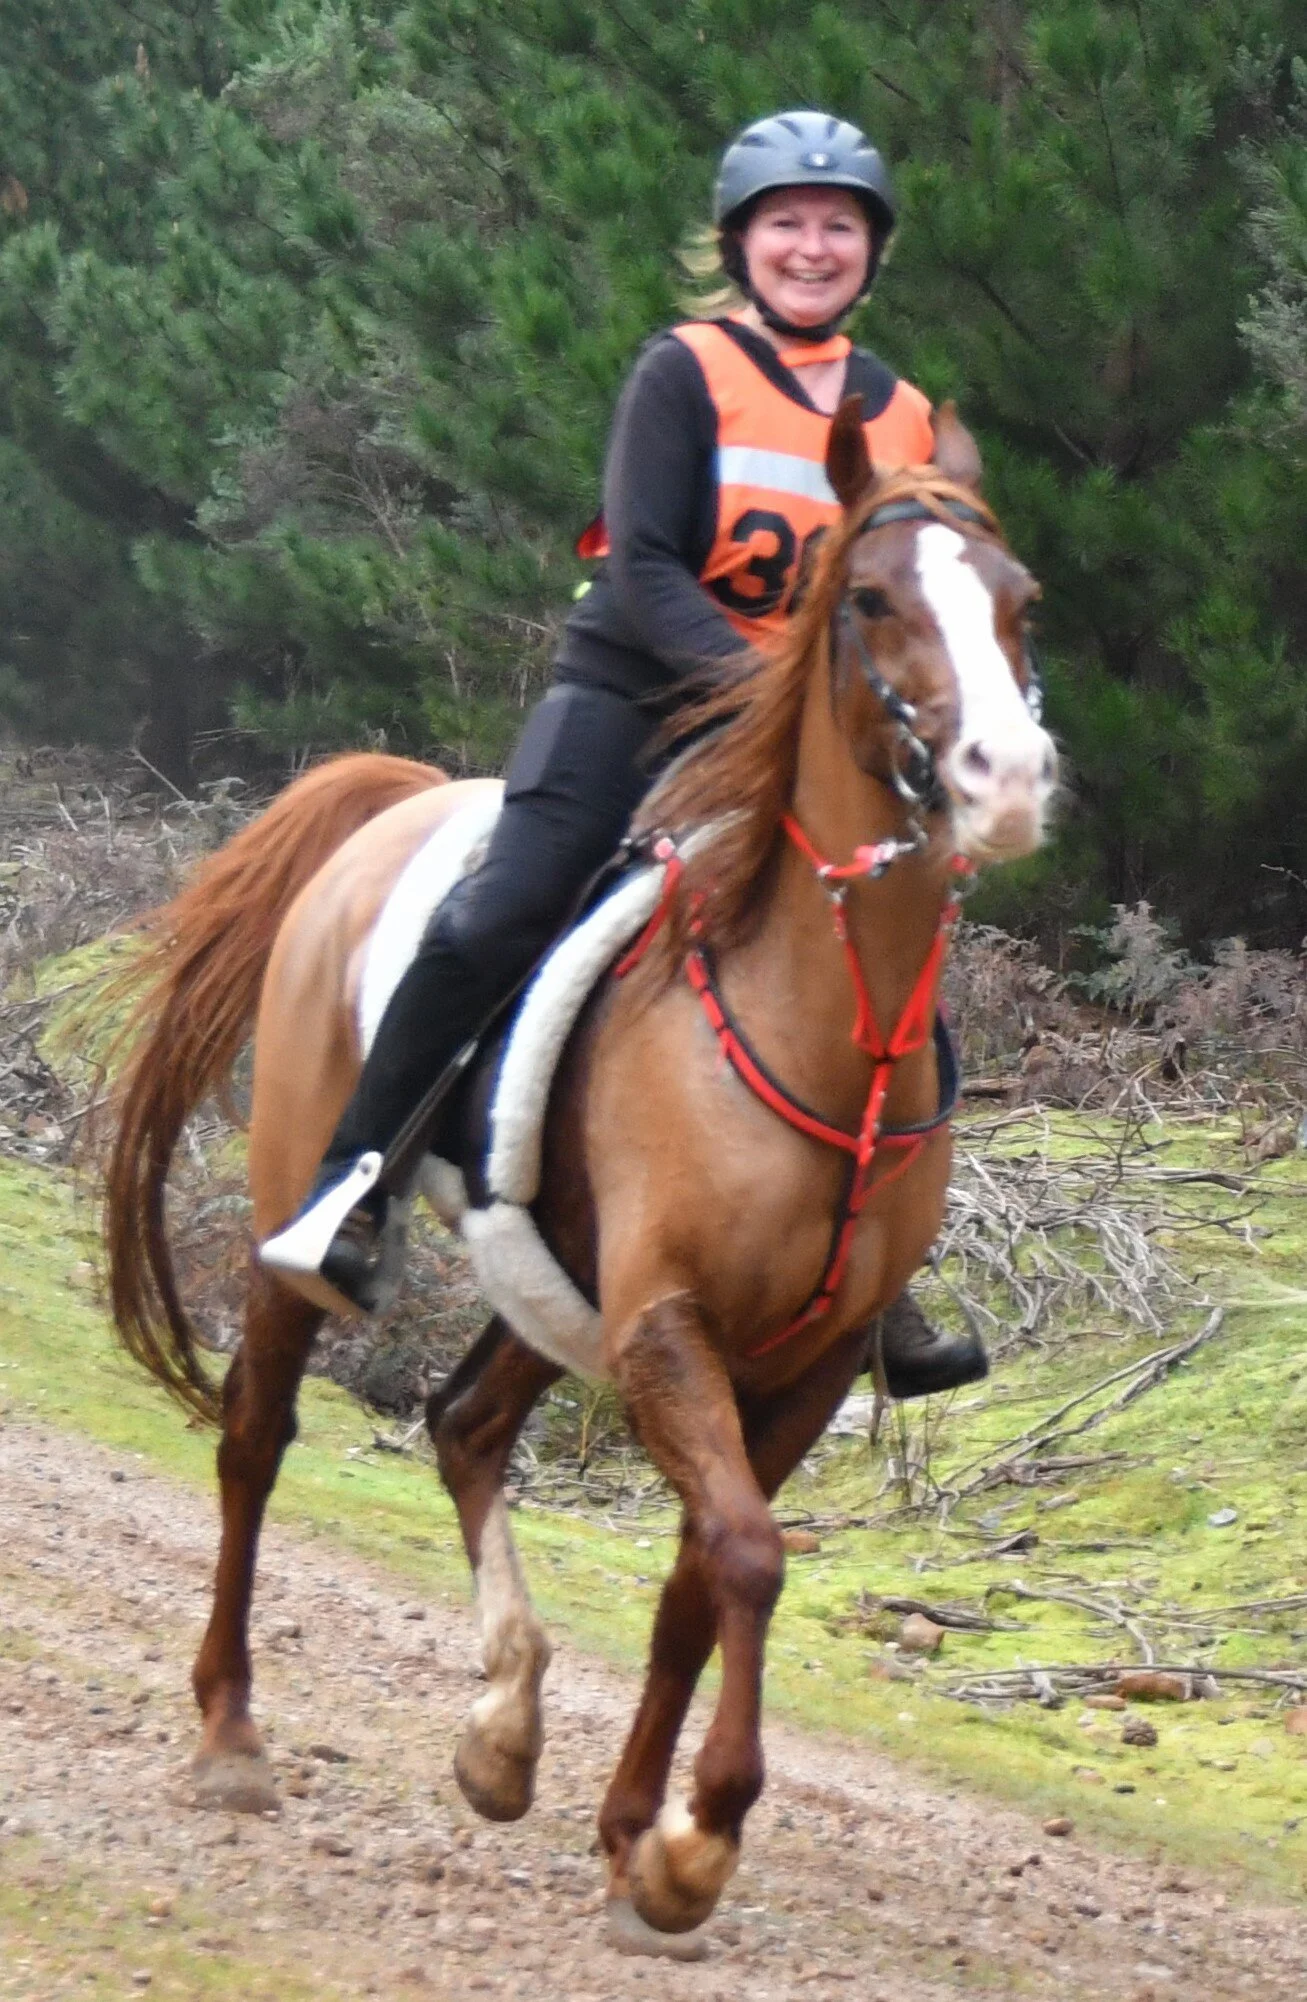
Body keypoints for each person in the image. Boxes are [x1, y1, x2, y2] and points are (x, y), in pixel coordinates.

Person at [262, 109, 988, 1399]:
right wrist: (761, 690)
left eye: (838, 226)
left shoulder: (907, 418)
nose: (812, 247)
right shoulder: (683, 372)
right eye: (786, 223)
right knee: (508, 906)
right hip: (640, 697)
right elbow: (648, 567)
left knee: (895, 967)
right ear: (740, 243)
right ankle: (356, 1183)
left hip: (814, 740)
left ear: (870, 252)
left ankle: (877, 1275)